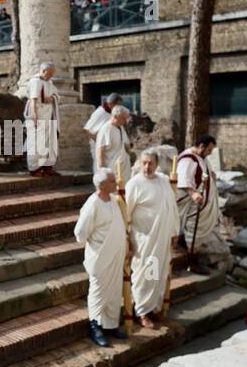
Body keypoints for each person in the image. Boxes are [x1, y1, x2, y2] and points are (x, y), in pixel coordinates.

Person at [124, 148, 179, 329]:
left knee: (157, 274)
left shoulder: (163, 182)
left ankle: (153, 308)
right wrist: (127, 240)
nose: (147, 167)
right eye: (144, 163)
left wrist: (174, 232)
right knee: (144, 276)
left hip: (161, 239)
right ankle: (141, 311)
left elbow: (172, 208)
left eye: (151, 163)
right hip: (143, 239)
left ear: (157, 164)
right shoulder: (134, 184)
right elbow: (126, 214)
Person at [74, 168, 129, 348]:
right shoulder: (92, 204)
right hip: (100, 255)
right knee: (98, 291)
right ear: (103, 185)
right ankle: (95, 326)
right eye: (113, 181)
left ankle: (110, 325)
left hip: (116, 254)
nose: (116, 183)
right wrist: (96, 242)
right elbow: (80, 232)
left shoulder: (113, 200)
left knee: (114, 291)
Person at [175, 134, 231, 276]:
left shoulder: (201, 157)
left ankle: (192, 254)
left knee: (197, 231)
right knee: (194, 230)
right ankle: (191, 262)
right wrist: (193, 193)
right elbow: (184, 180)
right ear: (201, 146)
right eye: (209, 150)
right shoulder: (188, 159)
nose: (210, 153)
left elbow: (205, 172)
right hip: (193, 203)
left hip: (203, 203)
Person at [23, 62, 61, 177]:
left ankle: (47, 167)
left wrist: (52, 98)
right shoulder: (35, 82)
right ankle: (34, 168)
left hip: (49, 117)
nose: (51, 76)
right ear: (43, 71)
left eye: (52, 74)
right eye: (49, 73)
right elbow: (33, 100)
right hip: (39, 117)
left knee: (49, 143)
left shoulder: (49, 82)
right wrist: (35, 117)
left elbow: (57, 96)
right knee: (36, 143)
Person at [82, 93, 122, 167]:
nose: (119, 107)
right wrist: (99, 141)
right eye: (118, 104)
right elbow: (87, 129)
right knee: (99, 167)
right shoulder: (100, 112)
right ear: (111, 103)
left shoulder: (112, 113)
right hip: (99, 145)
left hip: (109, 146)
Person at [94, 105, 132, 181]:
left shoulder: (120, 127)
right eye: (123, 118)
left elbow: (126, 144)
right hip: (112, 169)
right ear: (115, 116)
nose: (125, 121)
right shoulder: (106, 129)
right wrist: (102, 172)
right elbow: (100, 152)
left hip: (123, 169)